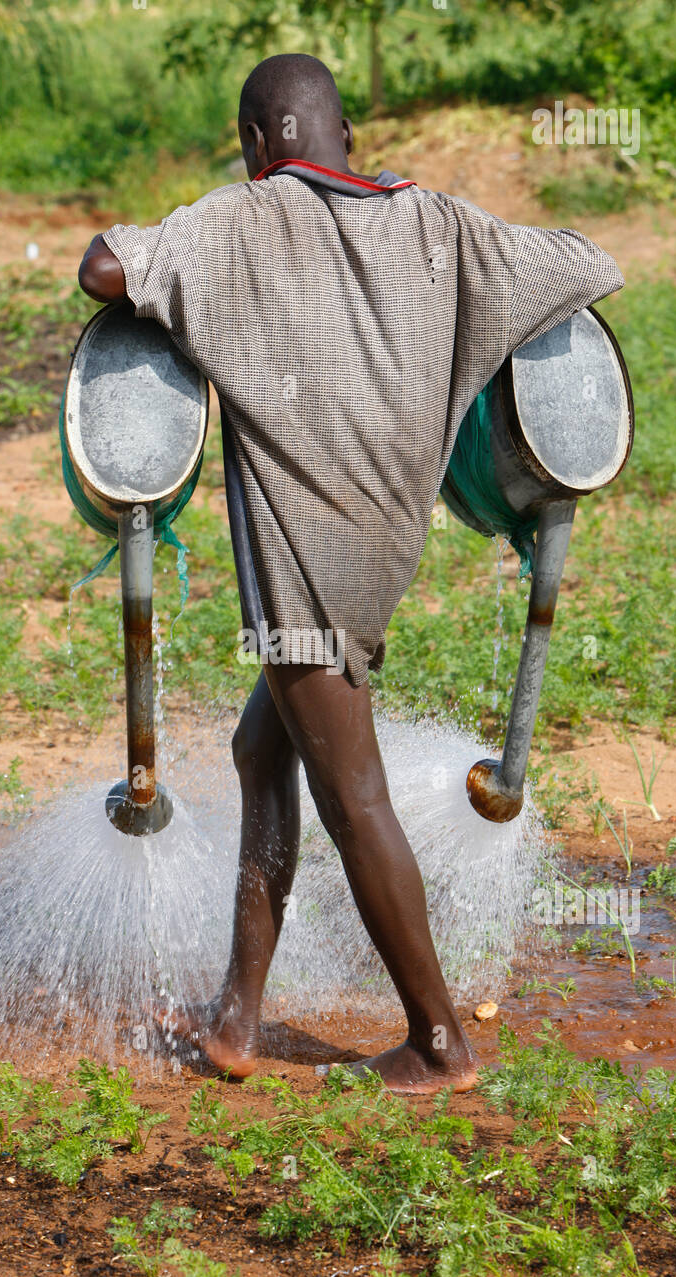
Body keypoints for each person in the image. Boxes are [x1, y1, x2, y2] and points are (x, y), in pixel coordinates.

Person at [78, 53, 624, 1094]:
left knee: (354, 795)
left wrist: (181, 240)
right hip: (384, 545)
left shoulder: (241, 222)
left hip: (303, 575)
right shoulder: (443, 230)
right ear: (349, 143)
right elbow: (587, 263)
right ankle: (237, 1018)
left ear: (253, 145)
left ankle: (436, 1039)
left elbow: (105, 268)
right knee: (259, 748)